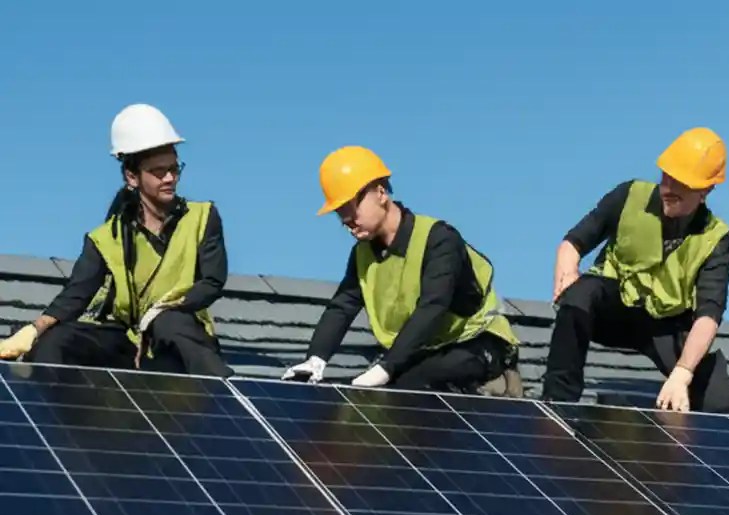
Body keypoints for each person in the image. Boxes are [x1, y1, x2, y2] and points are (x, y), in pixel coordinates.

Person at [0, 103, 233, 377]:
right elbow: (76, 294)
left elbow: (212, 282)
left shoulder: (203, 217)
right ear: (132, 177)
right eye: (159, 172)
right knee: (59, 339)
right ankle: (47, 408)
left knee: (169, 324)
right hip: (129, 345)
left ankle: (230, 396)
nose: (170, 178)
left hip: (179, 344)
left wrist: (164, 309)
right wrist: (35, 330)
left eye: (174, 169)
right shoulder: (105, 238)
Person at [283, 146, 522, 395]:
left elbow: (433, 305)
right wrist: (315, 359)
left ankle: (498, 387)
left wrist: (387, 367)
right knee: (386, 398)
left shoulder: (438, 239)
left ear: (381, 193)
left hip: (478, 344)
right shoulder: (362, 255)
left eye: (350, 206)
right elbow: (342, 306)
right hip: (423, 351)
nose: (345, 219)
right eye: (339, 212)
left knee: (411, 391)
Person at [541, 127, 729, 413]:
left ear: (706, 190)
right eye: (667, 177)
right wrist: (567, 276)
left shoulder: (715, 239)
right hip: (613, 309)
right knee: (579, 296)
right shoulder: (629, 196)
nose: (669, 189)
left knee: (722, 405)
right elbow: (572, 244)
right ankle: (557, 404)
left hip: (666, 326)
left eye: (682, 183)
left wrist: (682, 373)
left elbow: (708, 316)